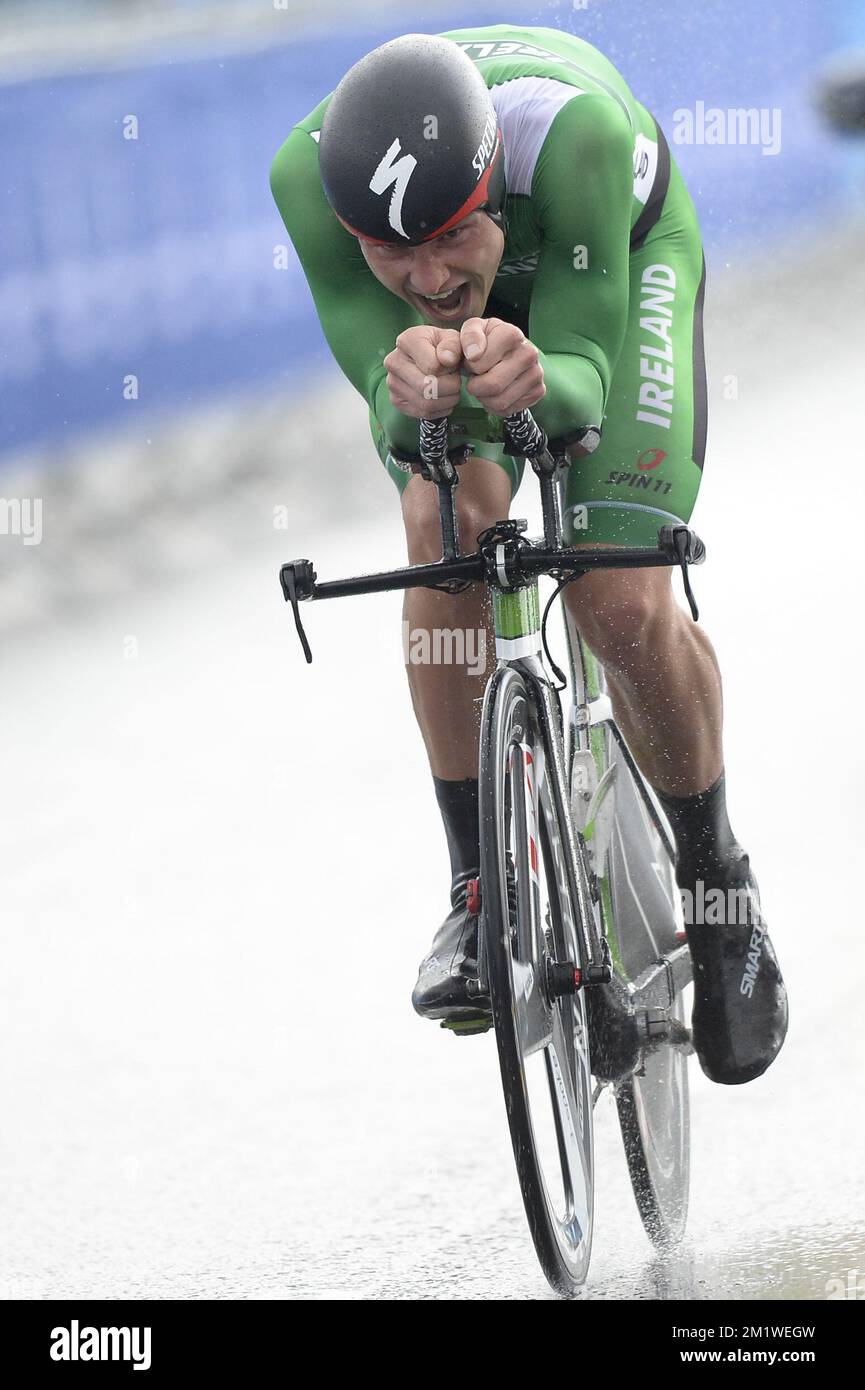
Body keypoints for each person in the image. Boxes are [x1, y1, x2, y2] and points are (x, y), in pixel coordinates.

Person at [270, 24, 788, 1085]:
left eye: (451, 238)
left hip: (614, 261)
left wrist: (543, 371)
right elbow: (383, 398)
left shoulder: (575, 140)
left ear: (488, 187)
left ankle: (715, 879)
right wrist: (395, 384)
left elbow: (591, 368)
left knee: (614, 599)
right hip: (506, 293)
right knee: (440, 525)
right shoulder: (304, 180)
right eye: (389, 253)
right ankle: (473, 891)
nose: (425, 277)